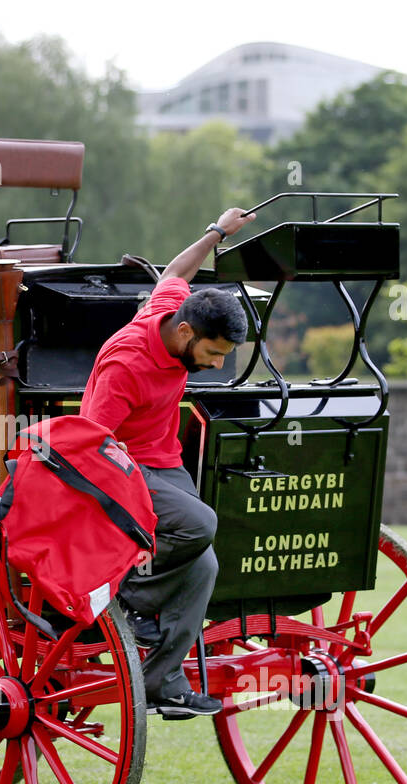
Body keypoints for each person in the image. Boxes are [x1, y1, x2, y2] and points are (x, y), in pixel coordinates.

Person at [80, 209, 256, 719]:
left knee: (204, 564)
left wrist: (217, 232)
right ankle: (125, 598)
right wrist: (132, 487)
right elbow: (91, 442)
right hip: (118, 468)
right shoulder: (126, 364)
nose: (218, 364)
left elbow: (176, 274)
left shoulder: (178, 308)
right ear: (184, 333)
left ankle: (163, 681)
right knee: (201, 524)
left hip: (163, 461)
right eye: (214, 352)